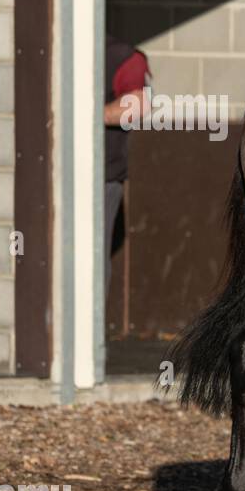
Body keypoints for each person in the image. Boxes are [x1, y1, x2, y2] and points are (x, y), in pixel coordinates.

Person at [103, 35, 151, 296]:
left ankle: (88, 333)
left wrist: (85, 113)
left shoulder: (123, 56)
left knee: (93, 256)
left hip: (103, 177)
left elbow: (137, 105)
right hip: (53, 176)